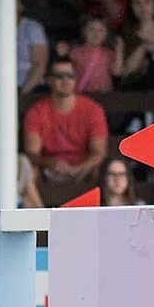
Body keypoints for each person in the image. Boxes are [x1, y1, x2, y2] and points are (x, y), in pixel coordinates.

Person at [22, 61, 108, 205]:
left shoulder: (93, 109)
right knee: (31, 169)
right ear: (48, 80)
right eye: (59, 76)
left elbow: (99, 152)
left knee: (100, 169)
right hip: (49, 169)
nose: (65, 80)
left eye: (70, 75)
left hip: (84, 169)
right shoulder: (37, 111)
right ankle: (38, 215)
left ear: (76, 79)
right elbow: (32, 153)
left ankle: (99, 212)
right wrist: (52, 163)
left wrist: (78, 168)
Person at [0, 0, 50, 97]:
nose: (6, 6)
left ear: (21, 7)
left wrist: (20, 96)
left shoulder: (32, 27)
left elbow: (40, 65)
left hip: (30, 88)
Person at [0, 105, 43, 208]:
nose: (3, 132)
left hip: (16, 213)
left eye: (8, 127)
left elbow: (37, 204)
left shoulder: (21, 162)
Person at [65, 15, 118, 94]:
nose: (96, 34)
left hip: (105, 93)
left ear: (106, 34)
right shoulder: (75, 52)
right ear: (84, 32)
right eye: (91, 29)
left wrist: (119, 49)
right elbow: (67, 73)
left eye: (101, 30)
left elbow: (116, 72)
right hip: (82, 93)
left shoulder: (109, 53)